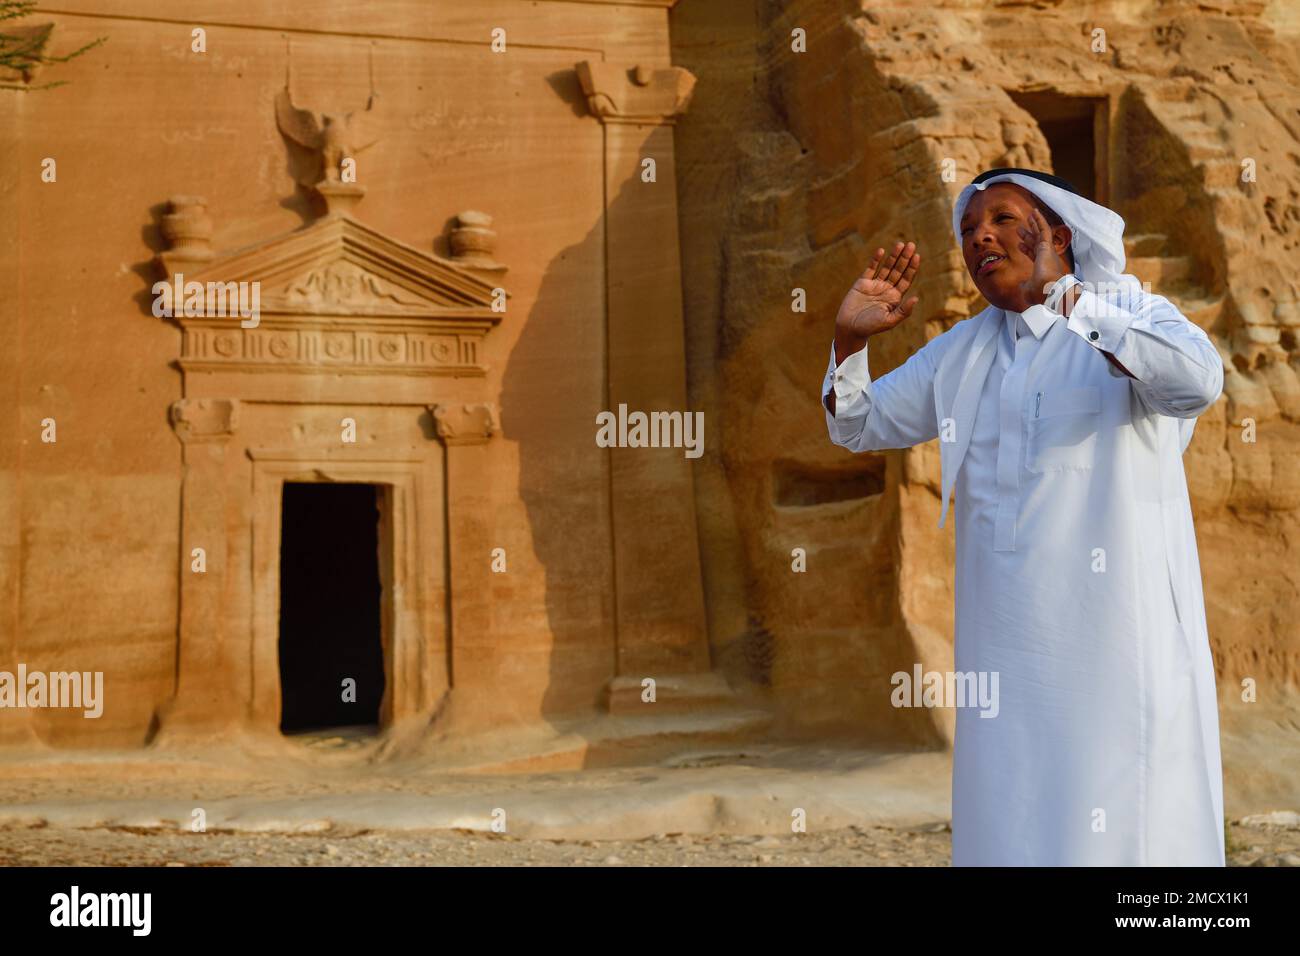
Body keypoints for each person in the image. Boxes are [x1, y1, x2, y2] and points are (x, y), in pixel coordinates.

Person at [821, 168, 1225, 866]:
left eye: (1004, 219)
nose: (982, 235)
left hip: (1116, 643)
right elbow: (856, 424)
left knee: (1124, 829)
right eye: (971, 229)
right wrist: (849, 345)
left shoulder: (1130, 311)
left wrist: (1069, 301)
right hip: (1005, 653)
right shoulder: (965, 349)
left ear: (1062, 236)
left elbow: (1196, 381)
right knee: (1009, 821)